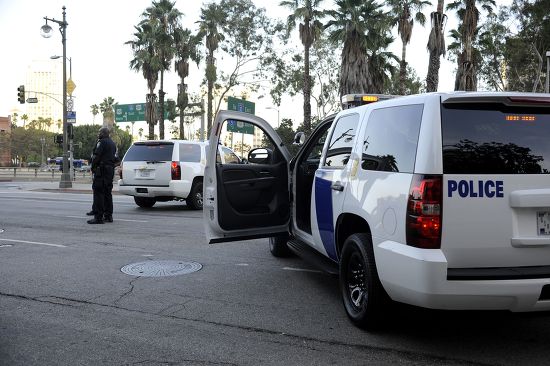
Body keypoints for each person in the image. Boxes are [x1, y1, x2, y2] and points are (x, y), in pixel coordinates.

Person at [87, 127, 117, 224]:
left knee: (99, 193)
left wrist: (93, 167)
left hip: (102, 170)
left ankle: (98, 217)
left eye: (99, 132)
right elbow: (117, 158)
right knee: (108, 193)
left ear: (104, 133)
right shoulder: (113, 143)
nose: (98, 134)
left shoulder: (102, 142)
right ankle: (108, 216)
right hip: (110, 170)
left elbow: (96, 156)